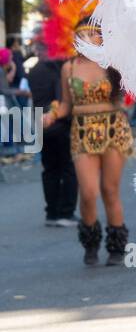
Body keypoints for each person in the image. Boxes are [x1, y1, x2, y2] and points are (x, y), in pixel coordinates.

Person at [41, 0, 136, 263]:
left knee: (109, 190)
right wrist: (50, 116)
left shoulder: (112, 64)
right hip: (82, 131)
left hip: (113, 129)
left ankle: (117, 248)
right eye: (81, 34)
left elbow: (131, 92)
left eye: (93, 33)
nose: (87, 37)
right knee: (89, 191)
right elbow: (65, 106)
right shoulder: (69, 67)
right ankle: (91, 243)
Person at [28, 52, 79, 226]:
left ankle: (52, 213)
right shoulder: (59, 68)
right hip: (59, 122)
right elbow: (62, 98)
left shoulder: (35, 69)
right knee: (68, 168)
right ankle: (66, 212)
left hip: (40, 122)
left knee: (49, 169)